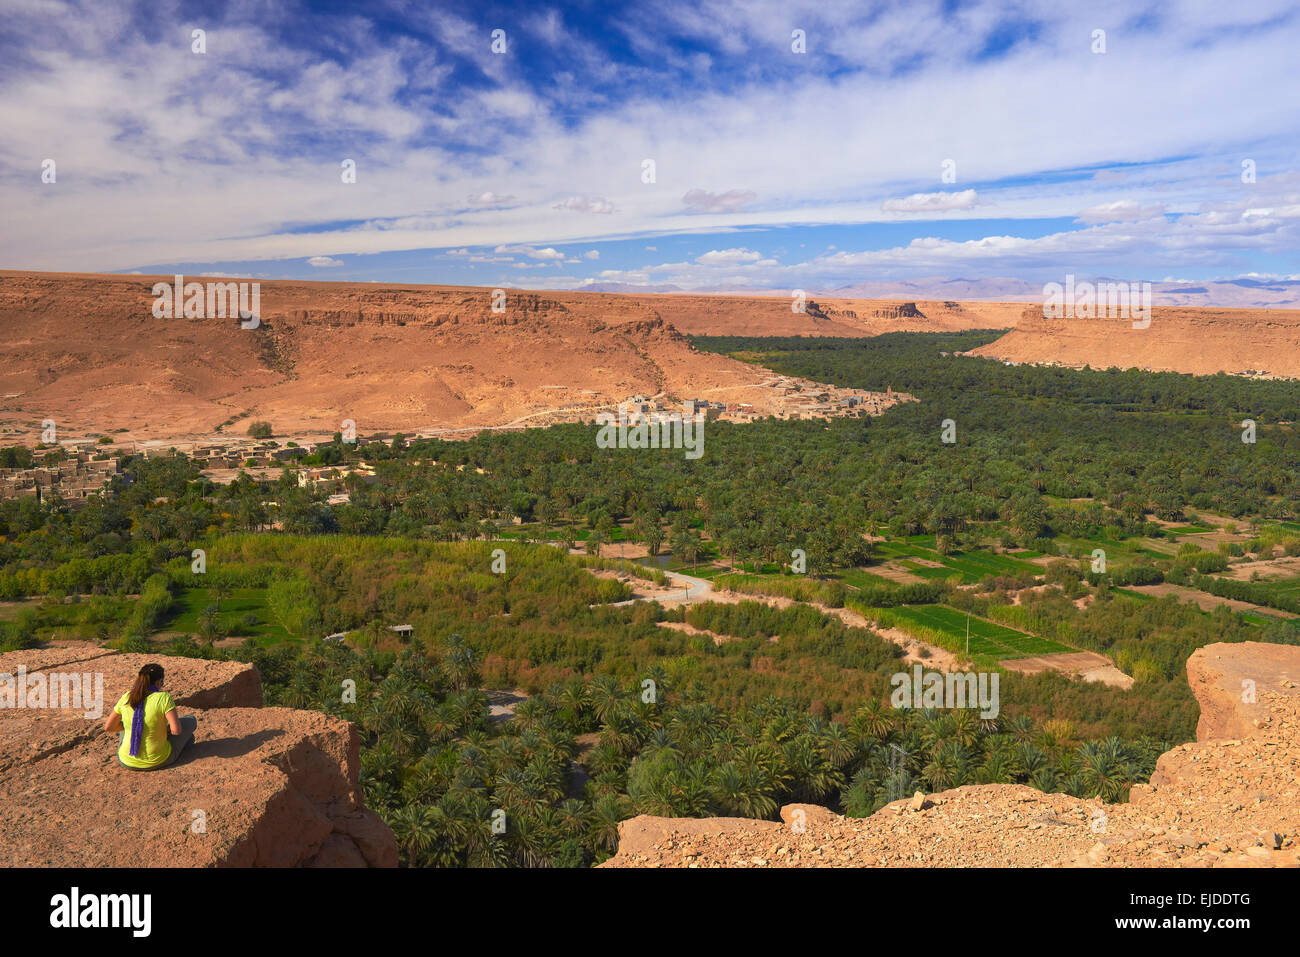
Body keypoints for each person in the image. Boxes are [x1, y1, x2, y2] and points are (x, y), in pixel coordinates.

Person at [103, 663, 197, 770]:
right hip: (158, 760)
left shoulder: (127, 696)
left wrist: (134, 728)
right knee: (191, 721)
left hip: (126, 761)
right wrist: (164, 730)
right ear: (159, 682)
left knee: (125, 725)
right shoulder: (163, 698)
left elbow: (108, 727)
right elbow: (176, 730)